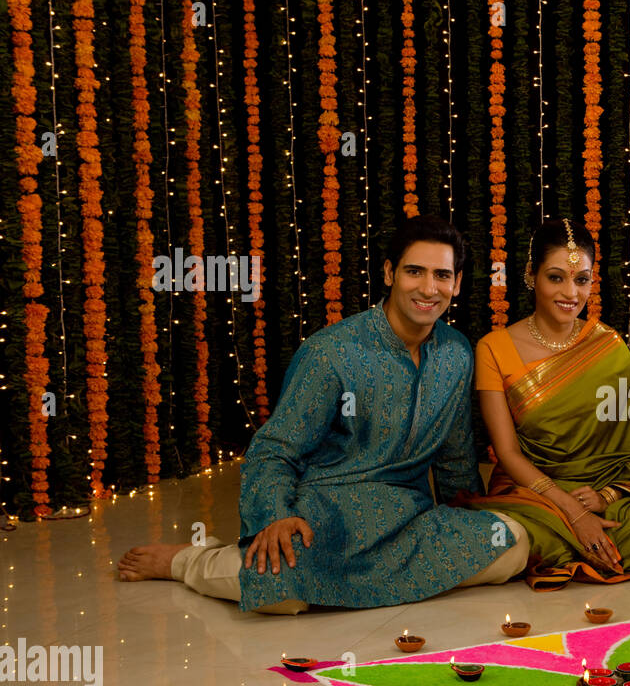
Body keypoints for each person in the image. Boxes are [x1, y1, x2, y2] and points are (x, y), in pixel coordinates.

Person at [117, 215, 529, 612]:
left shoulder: (455, 353)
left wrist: (472, 518)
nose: (428, 288)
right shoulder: (332, 352)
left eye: (442, 275)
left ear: (456, 283)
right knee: (279, 591)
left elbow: (455, 453)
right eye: (414, 272)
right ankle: (191, 562)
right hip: (330, 520)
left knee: (511, 541)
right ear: (389, 273)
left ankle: (352, 586)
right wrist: (276, 518)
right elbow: (275, 450)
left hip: (410, 520)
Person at [466, 218, 630, 589]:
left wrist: (606, 497)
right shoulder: (494, 347)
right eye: (556, 277)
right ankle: (574, 543)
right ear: (531, 275)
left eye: (582, 279)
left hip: (601, 489)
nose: (570, 292)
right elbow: (508, 454)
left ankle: (590, 545)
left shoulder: (607, 344)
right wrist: (572, 511)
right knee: (517, 540)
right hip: (536, 490)